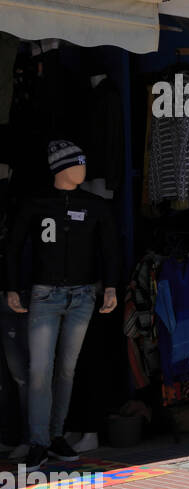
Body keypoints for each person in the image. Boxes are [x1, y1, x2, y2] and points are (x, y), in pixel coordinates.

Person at [5, 141, 118, 470]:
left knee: (66, 370)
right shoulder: (36, 203)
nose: (83, 169)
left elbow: (109, 247)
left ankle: (55, 436)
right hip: (44, 295)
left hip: (82, 296)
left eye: (83, 162)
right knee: (40, 371)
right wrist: (12, 288)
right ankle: (38, 441)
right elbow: (13, 246)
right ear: (61, 168)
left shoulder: (94, 205)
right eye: (77, 163)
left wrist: (110, 287)